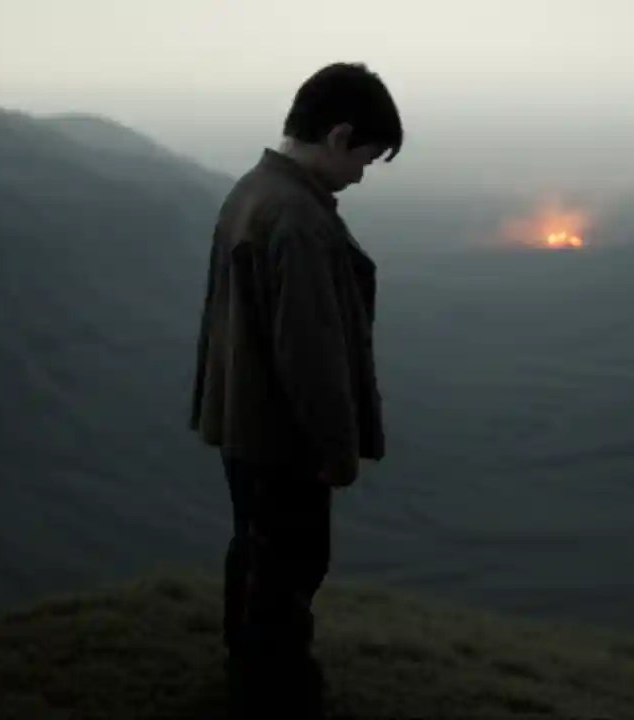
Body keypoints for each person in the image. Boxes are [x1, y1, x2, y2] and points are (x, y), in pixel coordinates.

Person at [189, 61, 402, 717]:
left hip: (242, 426)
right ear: (338, 136)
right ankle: (277, 694)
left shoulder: (251, 192)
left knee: (253, 555)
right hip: (283, 439)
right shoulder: (299, 221)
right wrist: (336, 452)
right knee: (289, 572)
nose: (362, 175)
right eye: (365, 157)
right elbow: (310, 353)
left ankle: (250, 678)